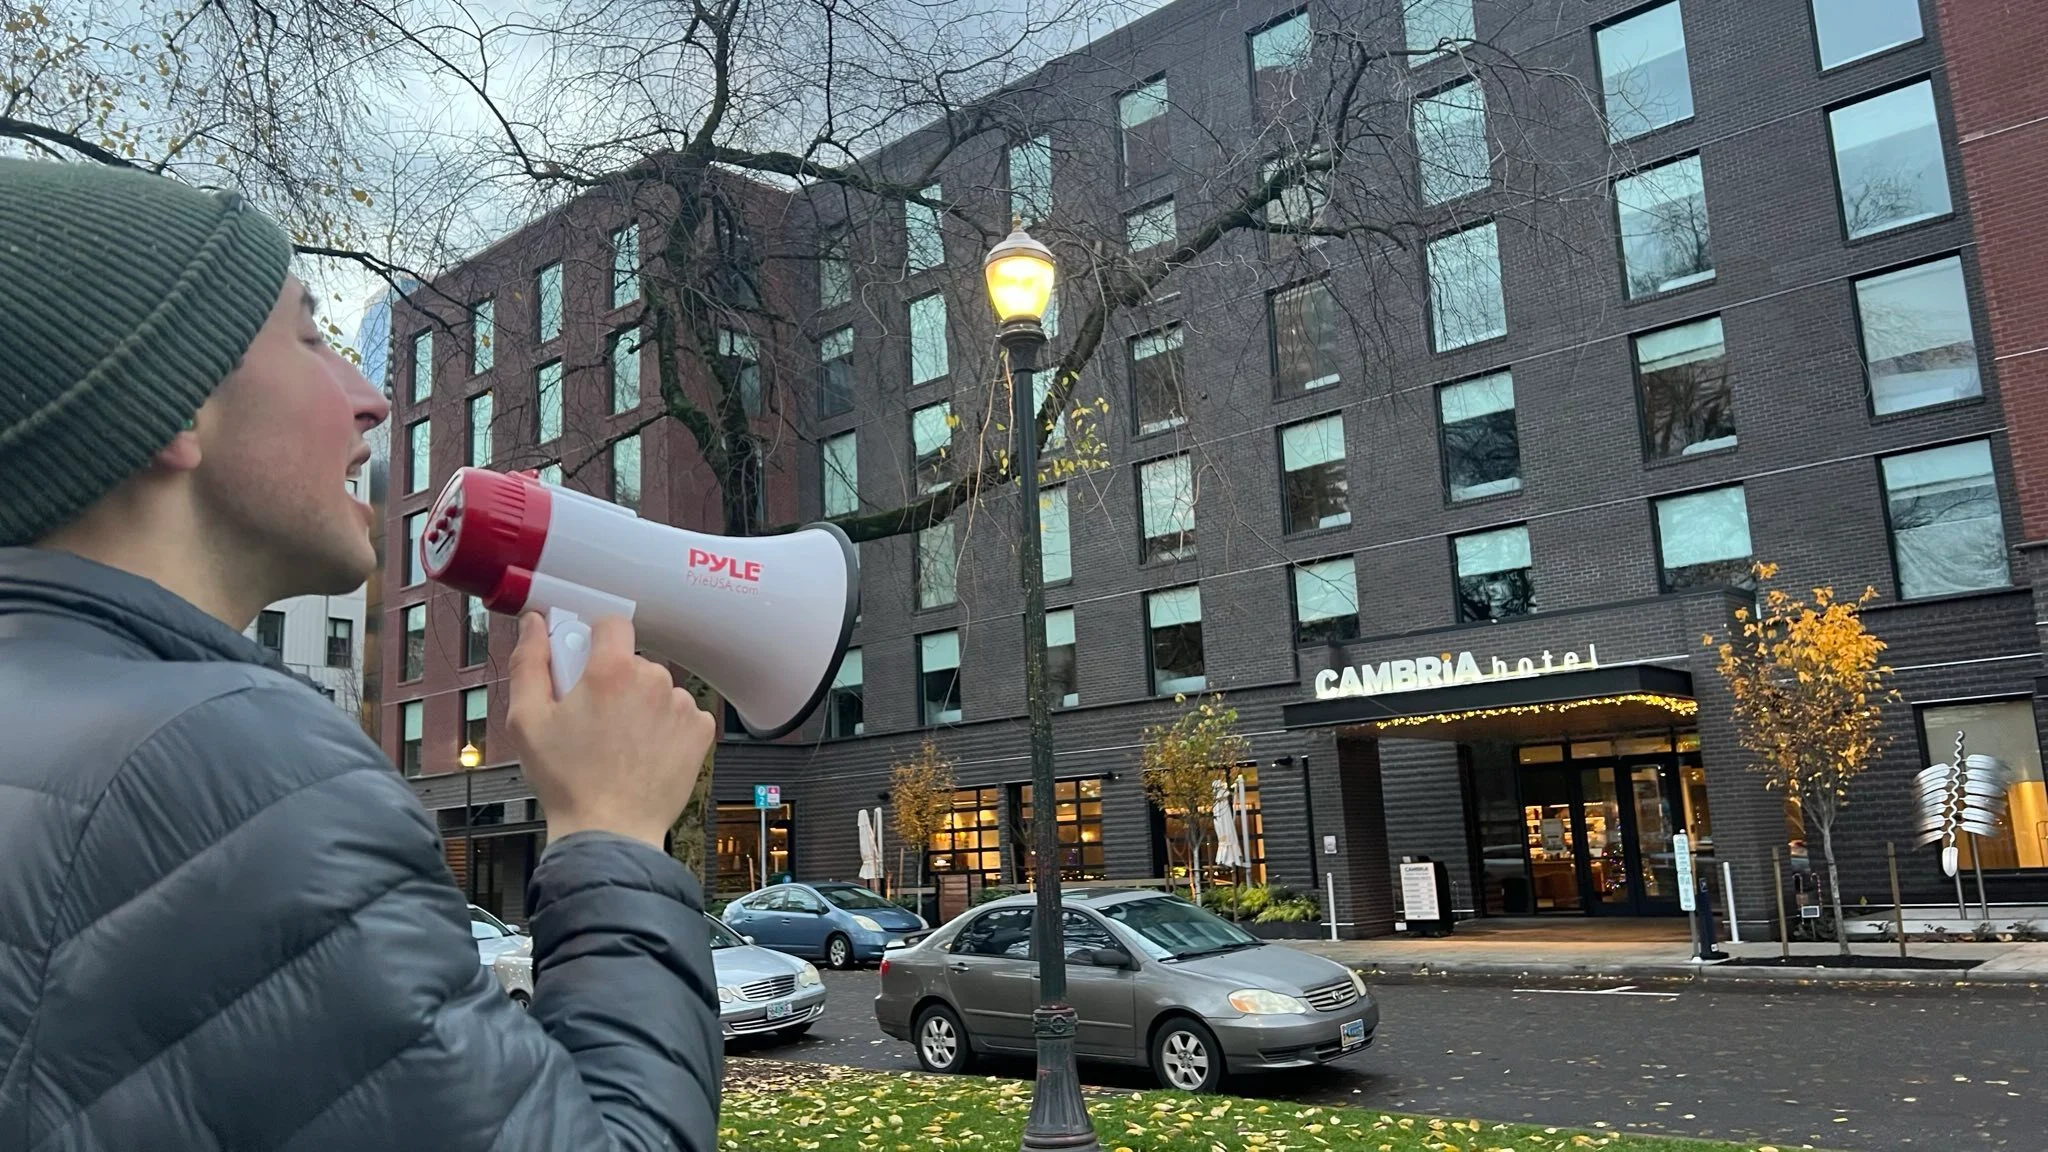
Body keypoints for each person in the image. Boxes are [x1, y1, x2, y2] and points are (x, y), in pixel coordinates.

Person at [0, 157, 723, 1149]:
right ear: (167, 404)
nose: (369, 401)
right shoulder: (237, 773)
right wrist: (614, 832)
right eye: (307, 338)